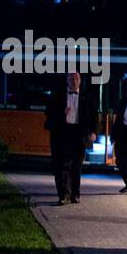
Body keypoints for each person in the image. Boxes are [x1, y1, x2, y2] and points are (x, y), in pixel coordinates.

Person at [45, 70, 98, 205]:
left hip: (79, 133)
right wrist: (61, 112)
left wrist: (93, 132)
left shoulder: (87, 96)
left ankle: (75, 194)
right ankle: (63, 195)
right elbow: (48, 112)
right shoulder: (58, 94)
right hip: (63, 132)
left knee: (76, 166)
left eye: (76, 79)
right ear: (67, 80)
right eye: (71, 78)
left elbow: (94, 116)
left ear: (80, 80)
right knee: (62, 165)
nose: (73, 81)